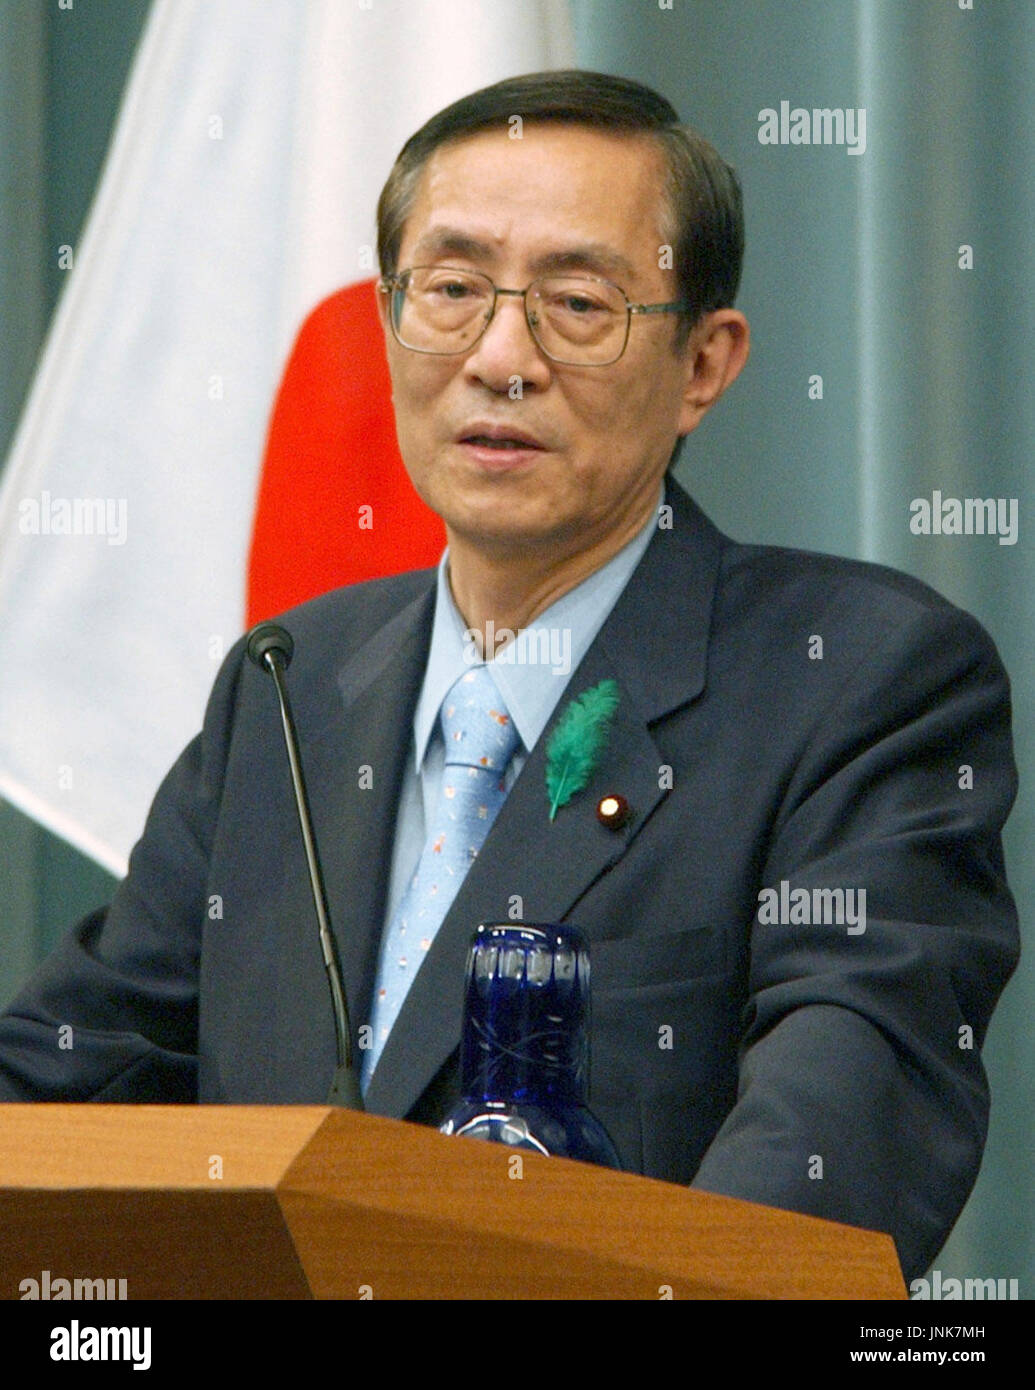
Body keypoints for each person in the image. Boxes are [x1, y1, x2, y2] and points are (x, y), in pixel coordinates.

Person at [0, 71, 1018, 1285]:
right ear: (388, 323)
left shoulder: (860, 681)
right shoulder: (287, 687)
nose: (498, 357)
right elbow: (75, 1073)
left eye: (576, 303)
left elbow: (834, 1148)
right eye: (452, 289)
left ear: (703, 362)